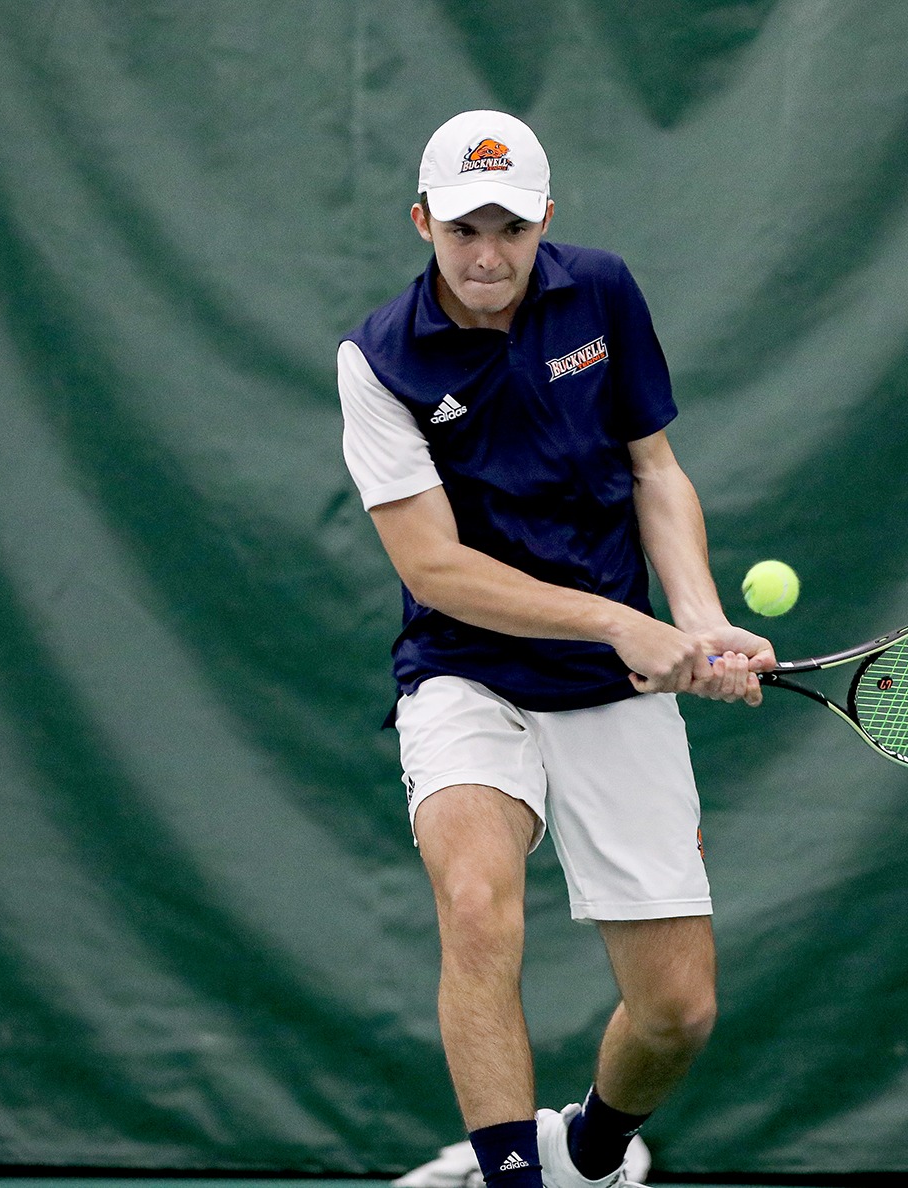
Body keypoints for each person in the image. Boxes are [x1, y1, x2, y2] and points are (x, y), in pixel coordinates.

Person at [337, 110, 773, 1188]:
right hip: (464, 669)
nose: (486, 256)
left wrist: (699, 615)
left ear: (544, 222)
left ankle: (586, 1150)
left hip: (611, 688)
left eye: (509, 229)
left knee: (676, 1010)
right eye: (460, 230)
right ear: (421, 222)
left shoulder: (603, 293)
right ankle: (509, 1180)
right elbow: (433, 567)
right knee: (476, 900)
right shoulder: (379, 363)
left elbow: (654, 469)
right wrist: (619, 622)